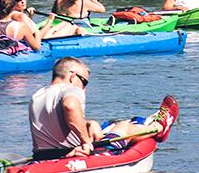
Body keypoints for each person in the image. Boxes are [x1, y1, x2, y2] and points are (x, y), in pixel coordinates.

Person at [28, 57, 168, 159]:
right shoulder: (71, 90)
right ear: (72, 77)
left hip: (42, 156)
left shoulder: (37, 95)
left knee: (104, 127)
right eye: (84, 82)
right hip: (72, 154)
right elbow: (70, 107)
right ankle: (160, 127)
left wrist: (89, 123)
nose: (84, 88)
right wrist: (86, 143)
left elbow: (58, 121)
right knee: (124, 126)